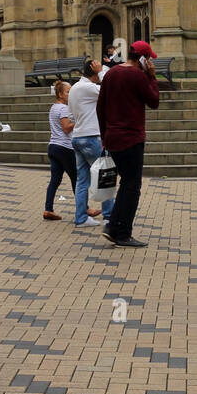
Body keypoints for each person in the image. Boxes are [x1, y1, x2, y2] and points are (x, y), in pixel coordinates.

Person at [96, 38, 161, 247]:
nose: (150, 62)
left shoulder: (111, 73)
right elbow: (154, 101)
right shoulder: (138, 76)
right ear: (142, 58)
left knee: (126, 184)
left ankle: (113, 226)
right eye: (148, 58)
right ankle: (121, 232)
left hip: (113, 138)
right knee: (131, 186)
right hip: (131, 137)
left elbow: (100, 107)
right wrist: (152, 77)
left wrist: (104, 136)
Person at [67, 58, 109, 227]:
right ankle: (109, 216)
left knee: (82, 180)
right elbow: (110, 89)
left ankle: (81, 218)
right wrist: (101, 72)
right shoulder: (88, 87)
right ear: (93, 72)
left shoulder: (75, 88)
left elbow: (70, 117)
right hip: (91, 137)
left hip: (77, 137)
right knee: (105, 176)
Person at [43, 80, 77, 219]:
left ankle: (48, 209)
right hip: (64, 147)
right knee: (77, 179)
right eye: (68, 92)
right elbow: (66, 128)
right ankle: (84, 208)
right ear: (60, 94)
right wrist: (79, 120)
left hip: (53, 147)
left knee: (55, 180)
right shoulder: (63, 109)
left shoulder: (54, 107)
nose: (71, 94)